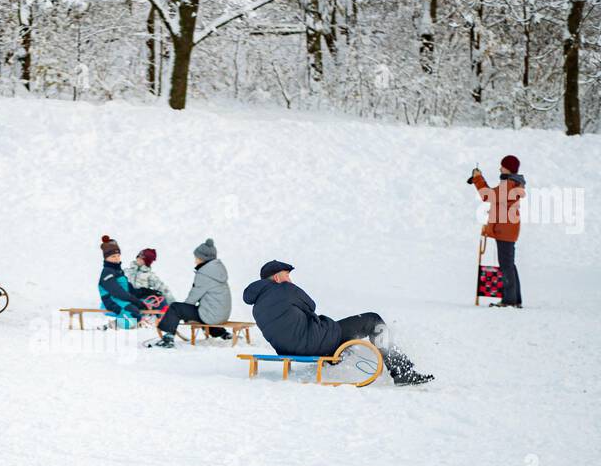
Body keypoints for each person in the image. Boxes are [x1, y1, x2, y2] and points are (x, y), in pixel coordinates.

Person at [243, 260, 433, 385]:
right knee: (373, 320)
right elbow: (311, 305)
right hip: (316, 342)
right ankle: (402, 371)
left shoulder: (256, 306)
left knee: (343, 340)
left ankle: (345, 365)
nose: (290, 279)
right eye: (287, 275)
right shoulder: (284, 289)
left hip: (290, 349)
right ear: (277, 277)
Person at [146, 238, 231, 348]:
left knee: (176, 308)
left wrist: (184, 314)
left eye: (197, 258)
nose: (195, 261)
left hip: (212, 316)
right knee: (202, 309)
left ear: (203, 258)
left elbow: (191, 300)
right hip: (222, 315)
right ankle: (221, 333)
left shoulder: (205, 274)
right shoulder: (217, 270)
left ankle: (168, 338)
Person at [467, 155, 524, 308]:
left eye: (502, 166)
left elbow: (488, 195)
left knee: (506, 265)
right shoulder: (511, 183)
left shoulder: (510, 184)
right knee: (509, 264)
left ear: (508, 168)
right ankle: (515, 299)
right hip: (506, 229)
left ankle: (509, 300)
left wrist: (478, 179)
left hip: (505, 230)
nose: (500, 168)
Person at [98, 236, 150, 328]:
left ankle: (131, 323)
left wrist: (147, 292)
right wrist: (137, 302)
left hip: (121, 300)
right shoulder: (107, 272)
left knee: (141, 308)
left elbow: (130, 290)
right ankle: (110, 326)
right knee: (133, 311)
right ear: (106, 258)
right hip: (111, 301)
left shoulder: (118, 271)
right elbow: (118, 292)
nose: (117, 258)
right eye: (113, 256)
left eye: (118, 256)